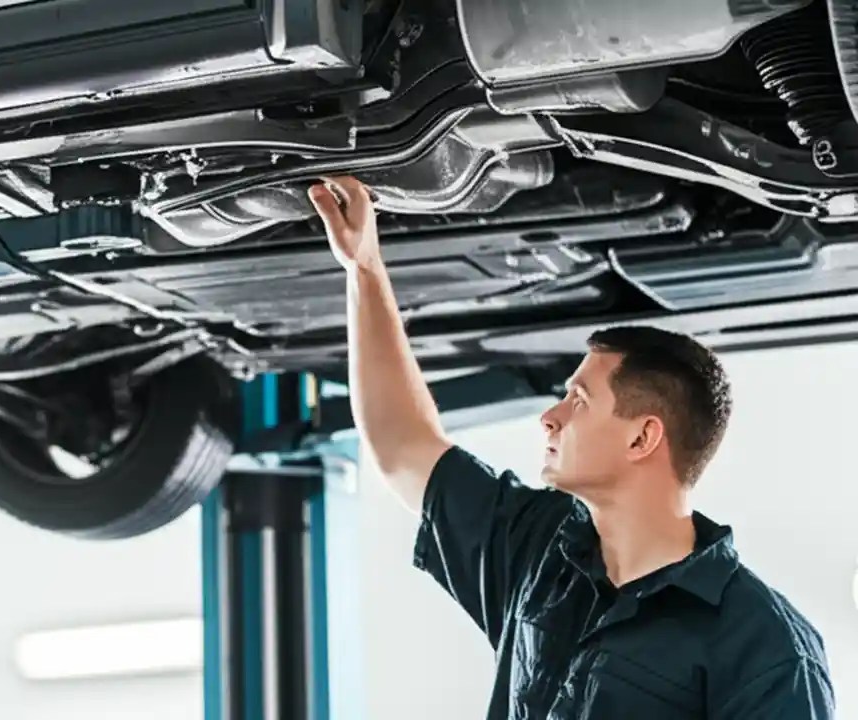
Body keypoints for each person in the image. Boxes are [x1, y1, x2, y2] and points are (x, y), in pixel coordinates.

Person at [307, 176, 836, 719]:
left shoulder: (766, 647)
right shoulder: (541, 550)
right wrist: (365, 268)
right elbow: (402, 446)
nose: (550, 417)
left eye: (578, 401)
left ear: (643, 437)